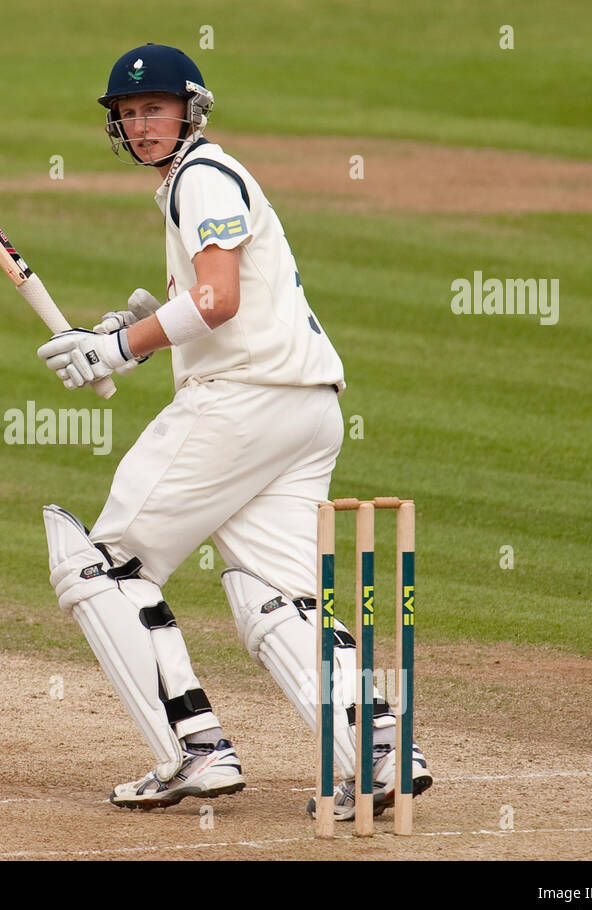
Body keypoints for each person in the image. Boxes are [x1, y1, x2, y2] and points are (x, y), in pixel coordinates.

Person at [37, 43, 432, 822]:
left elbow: (216, 302)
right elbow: (216, 299)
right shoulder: (204, 182)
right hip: (306, 408)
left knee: (104, 565)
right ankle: (380, 748)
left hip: (245, 405)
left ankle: (196, 749)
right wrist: (139, 325)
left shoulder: (203, 177)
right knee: (274, 594)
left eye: (156, 109)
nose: (143, 124)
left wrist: (115, 348)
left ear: (191, 109)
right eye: (129, 112)